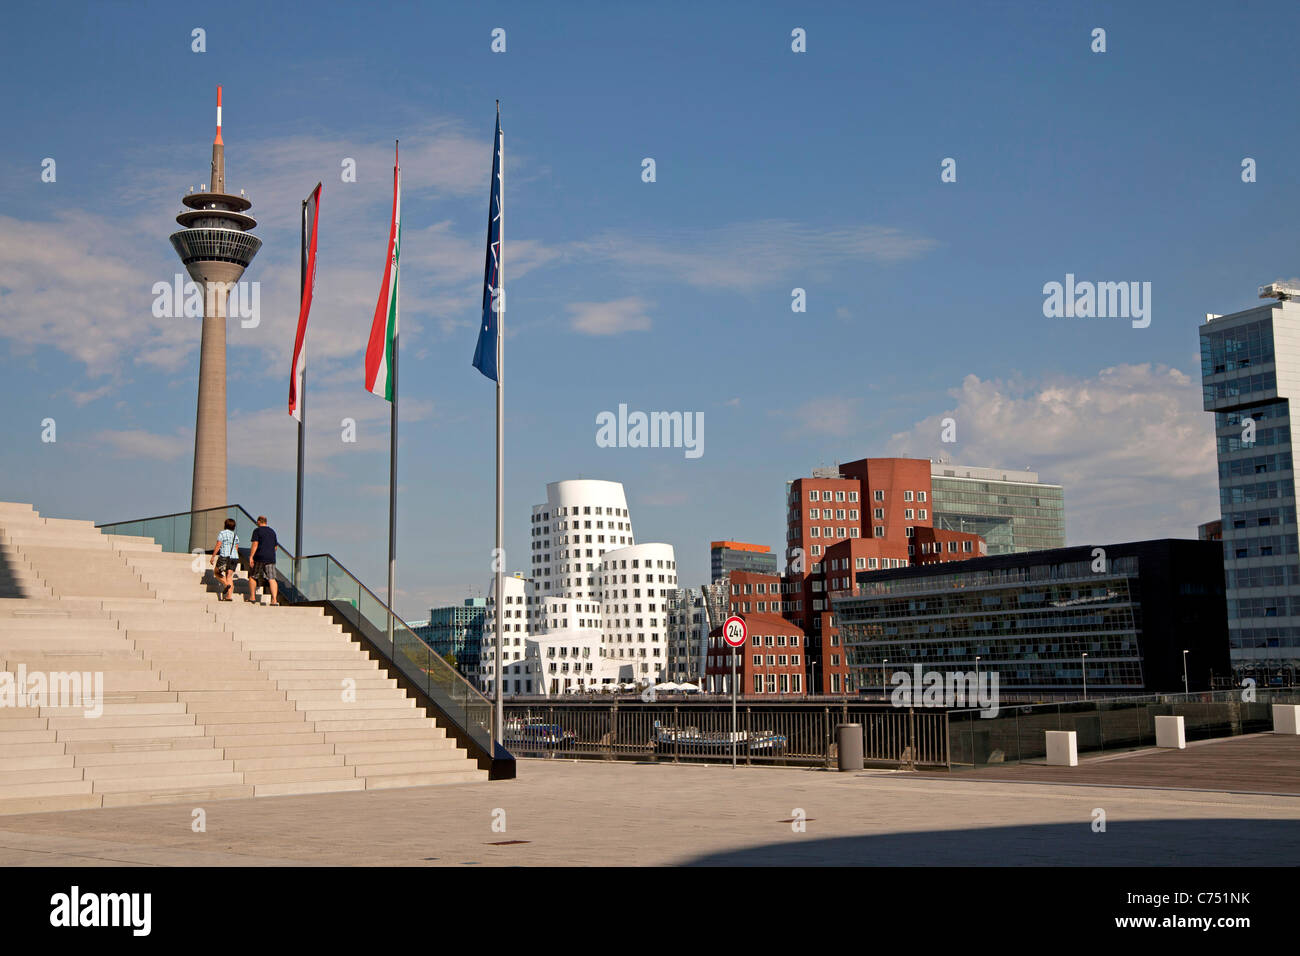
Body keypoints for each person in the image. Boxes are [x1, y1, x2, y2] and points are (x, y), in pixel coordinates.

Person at [248, 515, 280, 606]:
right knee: (272, 578)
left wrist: (251, 556)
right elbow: (275, 547)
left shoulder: (257, 531)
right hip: (270, 558)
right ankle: (274, 600)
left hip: (259, 557)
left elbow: (255, 544)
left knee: (253, 576)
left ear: (259, 521)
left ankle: (253, 597)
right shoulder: (272, 532)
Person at [211, 518, 239, 602]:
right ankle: (229, 597)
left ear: (225, 525)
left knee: (216, 572)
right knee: (229, 576)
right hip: (234, 557)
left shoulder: (222, 533)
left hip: (224, 556)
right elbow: (236, 548)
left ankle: (226, 584)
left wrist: (213, 556)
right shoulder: (235, 536)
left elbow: (218, 545)